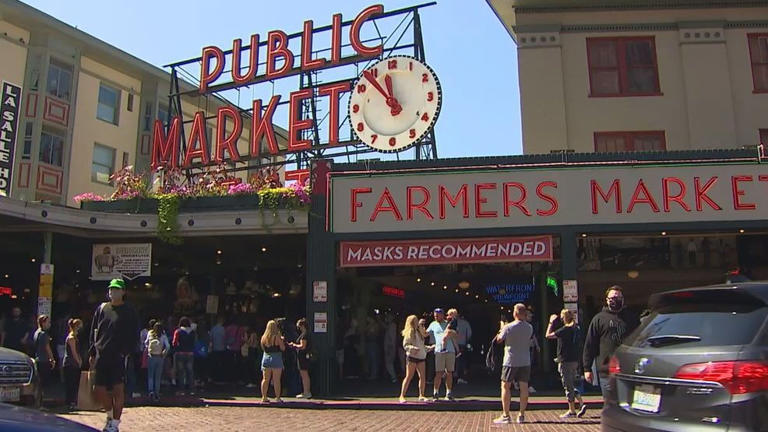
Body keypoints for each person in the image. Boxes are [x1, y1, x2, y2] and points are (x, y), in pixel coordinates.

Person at [88, 278, 139, 432]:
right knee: (99, 389)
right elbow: (94, 330)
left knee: (118, 389)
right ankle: (109, 416)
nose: (113, 292)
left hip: (118, 356)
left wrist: (127, 352)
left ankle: (115, 423)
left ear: (123, 292)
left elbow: (135, 333)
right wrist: (92, 351)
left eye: (116, 289)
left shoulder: (129, 310)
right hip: (101, 354)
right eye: (111, 289)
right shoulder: (102, 308)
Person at [583, 285, 640, 399]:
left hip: (627, 369)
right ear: (607, 300)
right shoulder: (599, 319)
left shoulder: (631, 318)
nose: (615, 300)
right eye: (612, 298)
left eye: (618, 297)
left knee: (628, 401)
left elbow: (639, 340)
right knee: (610, 402)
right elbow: (590, 344)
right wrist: (587, 369)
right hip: (607, 370)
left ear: (623, 300)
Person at [494, 303, 533, 425]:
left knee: (505, 386)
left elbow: (499, 340)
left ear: (515, 313)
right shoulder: (529, 327)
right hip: (525, 360)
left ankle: (506, 415)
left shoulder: (508, 327)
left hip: (510, 360)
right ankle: (521, 415)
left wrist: (500, 330)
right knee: (524, 387)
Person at [546, 309, 587, 418]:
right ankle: (581, 402)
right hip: (574, 360)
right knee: (572, 383)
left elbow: (548, 335)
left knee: (567, 386)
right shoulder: (576, 328)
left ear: (563, 318)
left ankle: (571, 410)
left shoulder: (565, 329)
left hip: (565, 361)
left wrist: (550, 322)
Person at [398, 315, 432, 403]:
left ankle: (422, 395)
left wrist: (428, 348)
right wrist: (412, 348)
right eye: (416, 321)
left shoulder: (419, 332)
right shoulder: (409, 332)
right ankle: (402, 395)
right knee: (409, 376)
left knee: (422, 377)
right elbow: (406, 345)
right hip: (412, 357)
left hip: (421, 356)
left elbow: (421, 345)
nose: (418, 322)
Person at [426, 308, 457, 401]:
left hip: (450, 350)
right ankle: (436, 392)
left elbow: (456, 335)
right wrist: (420, 326)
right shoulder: (433, 324)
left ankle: (449, 392)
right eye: (435, 315)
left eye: (437, 315)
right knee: (439, 372)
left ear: (442, 315)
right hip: (439, 350)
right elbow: (425, 334)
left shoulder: (449, 323)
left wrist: (451, 333)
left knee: (449, 372)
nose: (436, 317)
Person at [260, 319, 285, 403]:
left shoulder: (264, 337)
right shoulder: (276, 337)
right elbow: (283, 348)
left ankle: (264, 397)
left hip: (266, 358)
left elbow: (263, 348)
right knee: (276, 380)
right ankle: (277, 397)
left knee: (265, 379)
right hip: (276, 358)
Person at [287, 318, 311, 398]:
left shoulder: (304, 335)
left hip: (303, 357)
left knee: (304, 374)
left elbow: (302, 346)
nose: (298, 328)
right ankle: (306, 391)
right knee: (304, 374)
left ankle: (306, 392)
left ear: (302, 326)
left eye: (299, 326)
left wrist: (294, 345)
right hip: (302, 356)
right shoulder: (304, 334)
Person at [63, 318, 83, 410]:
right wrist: (78, 361)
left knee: (74, 383)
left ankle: (72, 401)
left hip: (73, 363)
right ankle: (70, 402)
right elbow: (74, 352)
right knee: (71, 383)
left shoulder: (75, 337)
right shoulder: (71, 338)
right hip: (70, 363)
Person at [172, 316, 196, 395]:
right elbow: (195, 342)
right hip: (190, 353)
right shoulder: (192, 332)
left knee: (181, 372)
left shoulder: (178, 331)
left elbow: (174, 343)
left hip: (181, 353)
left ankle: (181, 390)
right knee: (190, 371)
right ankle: (192, 390)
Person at [146, 322, 169, 401]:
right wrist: (164, 353)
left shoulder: (150, 333)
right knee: (158, 376)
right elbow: (168, 346)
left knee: (150, 375)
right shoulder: (163, 336)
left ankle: (150, 391)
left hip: (151, 356)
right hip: (159, 356)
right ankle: (157, 392)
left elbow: (146, 343)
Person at [33, 315, 55, 389]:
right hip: (44, 360)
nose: (49, 324)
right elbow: (47, 348)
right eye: (48, 322)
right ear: (43, 323)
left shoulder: (36, 332)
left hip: (38, 358)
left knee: (39, 381)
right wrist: (52, 359)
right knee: (44, 382)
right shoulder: (43, 334)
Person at [455, 312, 473, 384]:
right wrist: (466, 340)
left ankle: (454, 375)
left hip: (452, 344)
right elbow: (469, 334)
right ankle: (461, 377)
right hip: (462, 344)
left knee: (454, 360)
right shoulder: (466, 323)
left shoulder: (451, 323)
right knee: (462, 361)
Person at [209, 316, 226, 383]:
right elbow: (225, 338)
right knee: (221, 364)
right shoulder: (223, 329)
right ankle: (220, 377)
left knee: (215, 363)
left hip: (215, 348)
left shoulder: (213, 329)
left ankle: (214, 377)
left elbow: (211, 338)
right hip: (222, 348)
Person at [382, 313, 398, 383]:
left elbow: (392, 337)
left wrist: (391, 346)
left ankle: (393, 377)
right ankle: (391, 376)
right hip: (389, 346)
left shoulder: (392, 325)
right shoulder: (390, 325)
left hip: (390, 347)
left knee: (389, 363)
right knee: (388, 362)